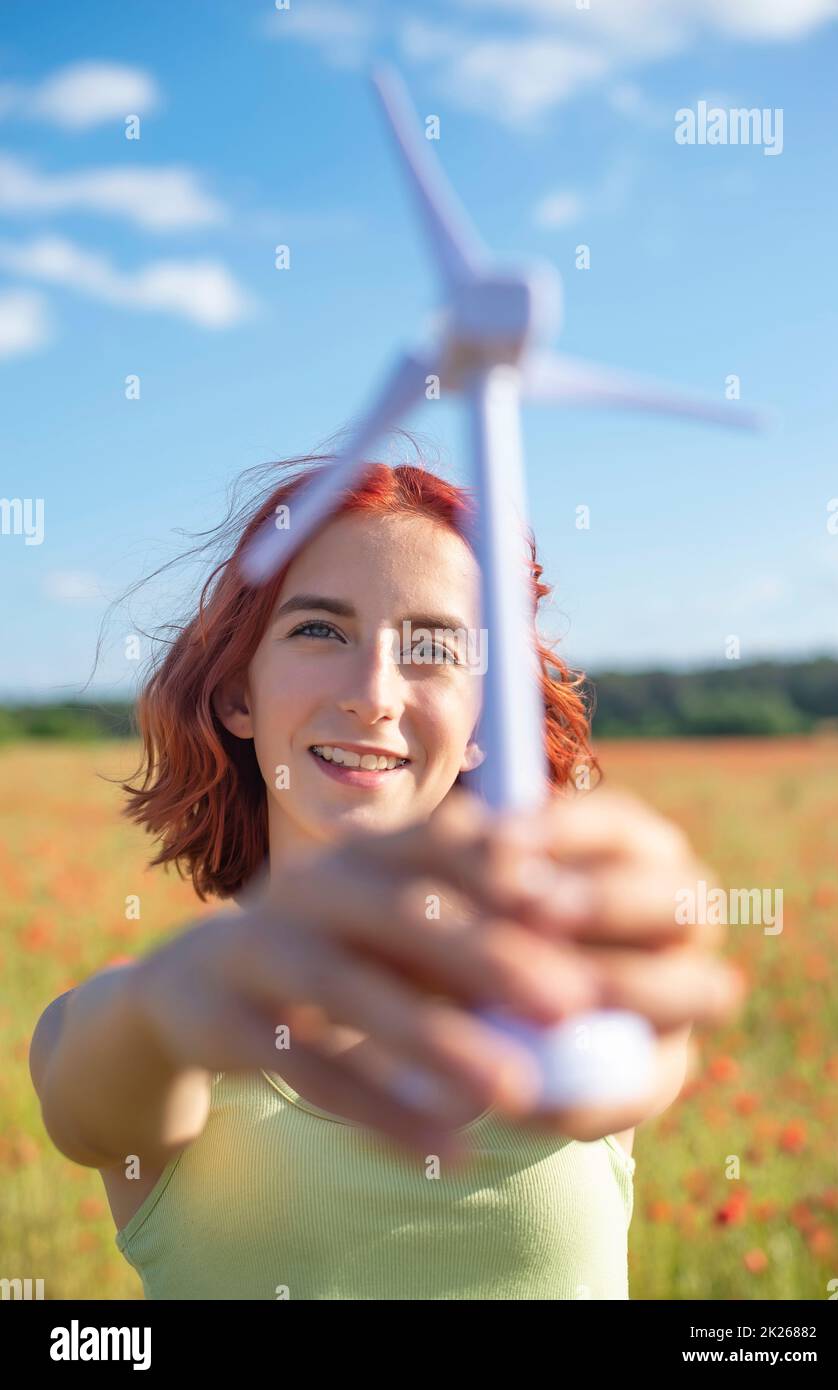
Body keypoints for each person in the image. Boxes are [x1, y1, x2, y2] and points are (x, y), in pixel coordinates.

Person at [29, 446, 744, 1300]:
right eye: (319, 630)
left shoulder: (579, 991)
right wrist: (176, 994)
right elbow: (103, 1083)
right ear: (237, 696)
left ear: (489, 719)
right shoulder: (156, 1022)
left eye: (433, 646)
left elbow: (622, 1060)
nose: (374, 693)